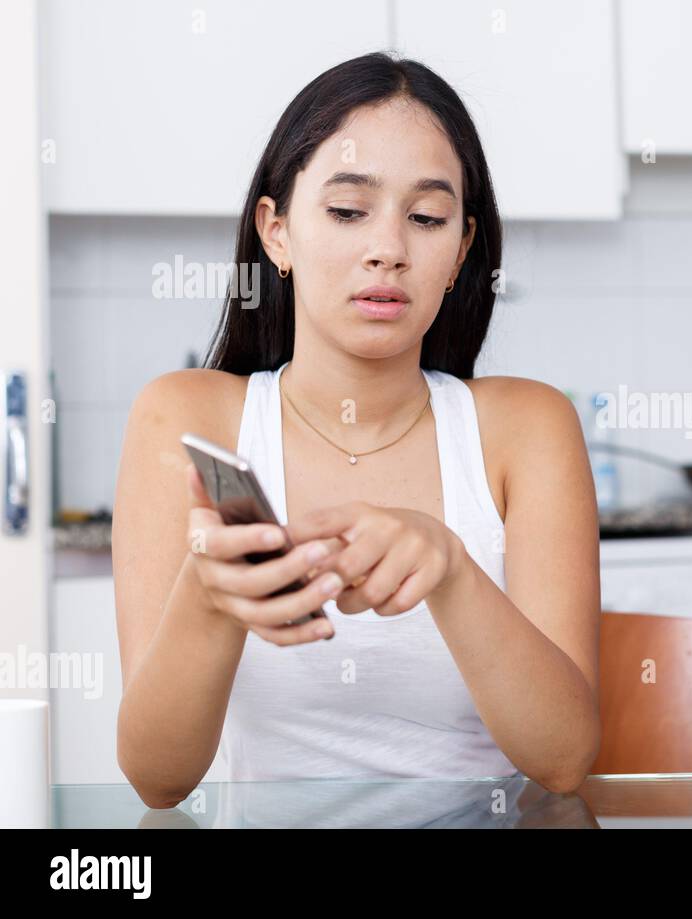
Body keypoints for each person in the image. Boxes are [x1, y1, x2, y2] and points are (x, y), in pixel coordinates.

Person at [113, 53, 600, 807]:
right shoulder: (185, 417)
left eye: (427, 217)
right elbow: (158, 778)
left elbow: (564, 761)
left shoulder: (528, 427)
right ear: (276, 233)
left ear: (461, 250)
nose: (389, 249)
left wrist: (454, 569)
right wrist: (207, 600)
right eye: (347, 211)